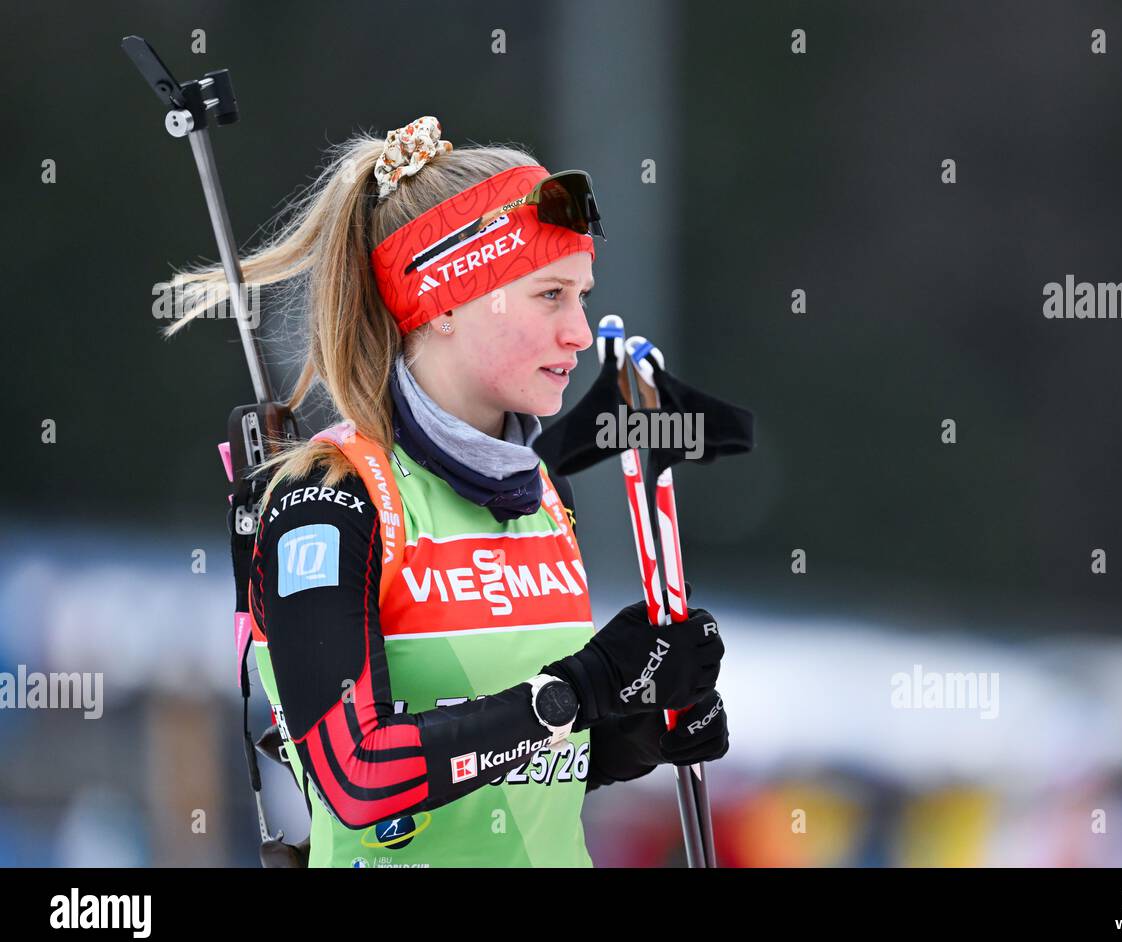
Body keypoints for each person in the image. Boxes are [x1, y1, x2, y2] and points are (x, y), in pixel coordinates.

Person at [163, 115, 729, 866]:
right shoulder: (329, 503)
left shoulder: (539, 493)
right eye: (550, 295)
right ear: (449, 301)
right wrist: (583, 687)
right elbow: (358, 778)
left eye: (582, 295)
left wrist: (641, 723)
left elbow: (519, 773)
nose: (580, 332)